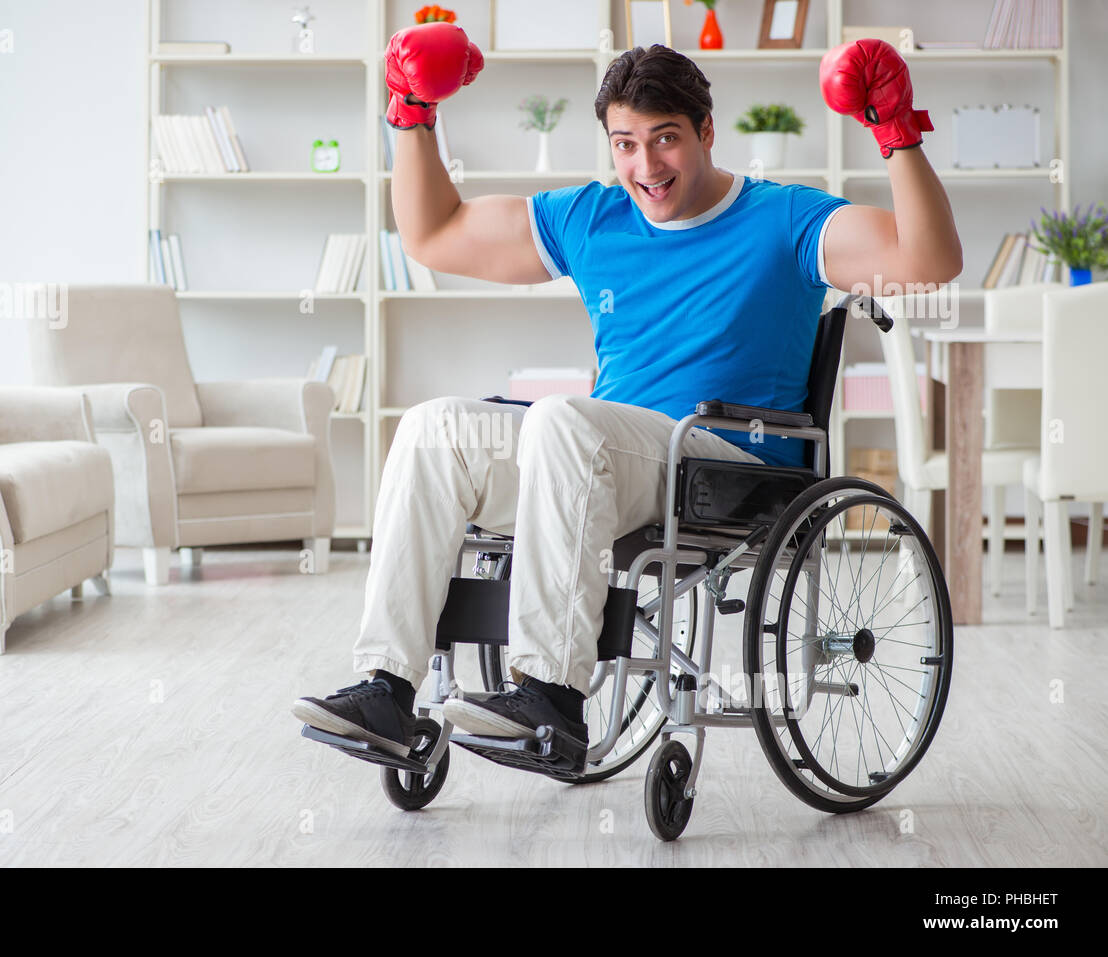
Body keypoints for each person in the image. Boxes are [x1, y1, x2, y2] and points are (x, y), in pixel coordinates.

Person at [292, 23, 962, 769]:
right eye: (625, 143)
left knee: (562, 420)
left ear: (708, 131)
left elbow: (927, 260)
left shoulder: (784, 220)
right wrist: (411, 114)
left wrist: (896, 130)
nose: (646, 166)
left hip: (723, 466)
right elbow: (435, 233)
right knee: (432, 426)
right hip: (595, 459)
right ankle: (386, 687)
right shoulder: (593, 217)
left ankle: (550, 696)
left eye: (665, 138)